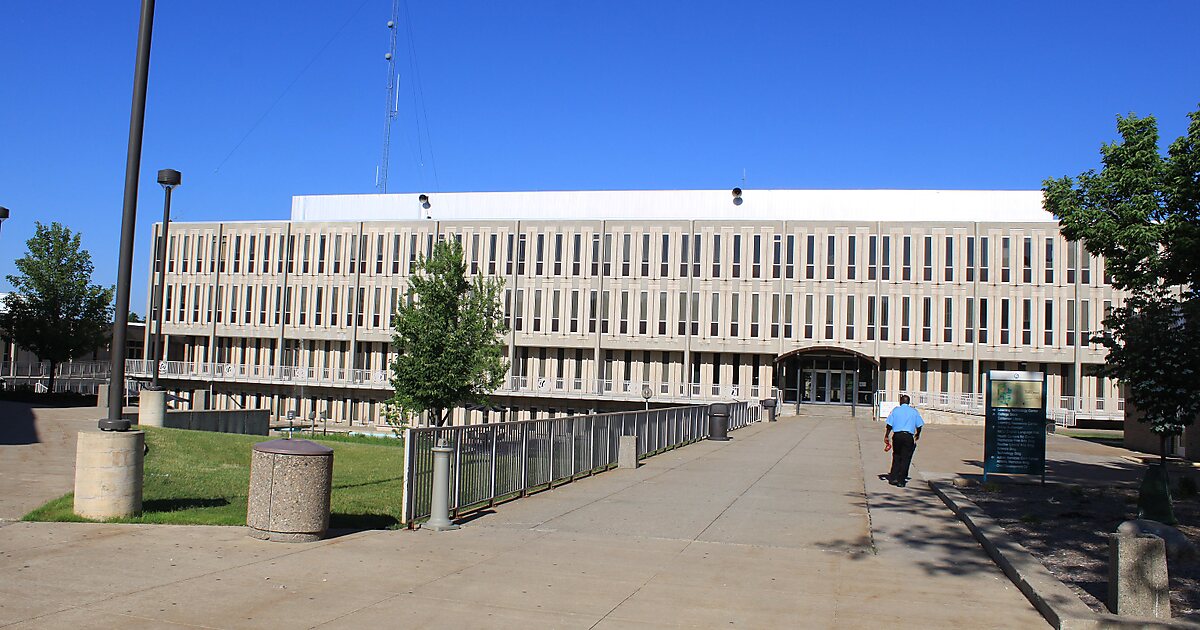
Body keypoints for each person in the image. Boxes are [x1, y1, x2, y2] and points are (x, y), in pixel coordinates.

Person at [884, 394, 924, 487]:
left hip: (897, 436)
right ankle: (901, 480)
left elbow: (889, 425)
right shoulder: (914, 411)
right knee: (905, 458)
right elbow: (919, 425)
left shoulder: (895, 410)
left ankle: (893, 477)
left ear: (901, 402)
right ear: (908, 402)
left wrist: (886, 435)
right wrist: (918, 434)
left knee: (896, 456)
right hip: (908, 436)